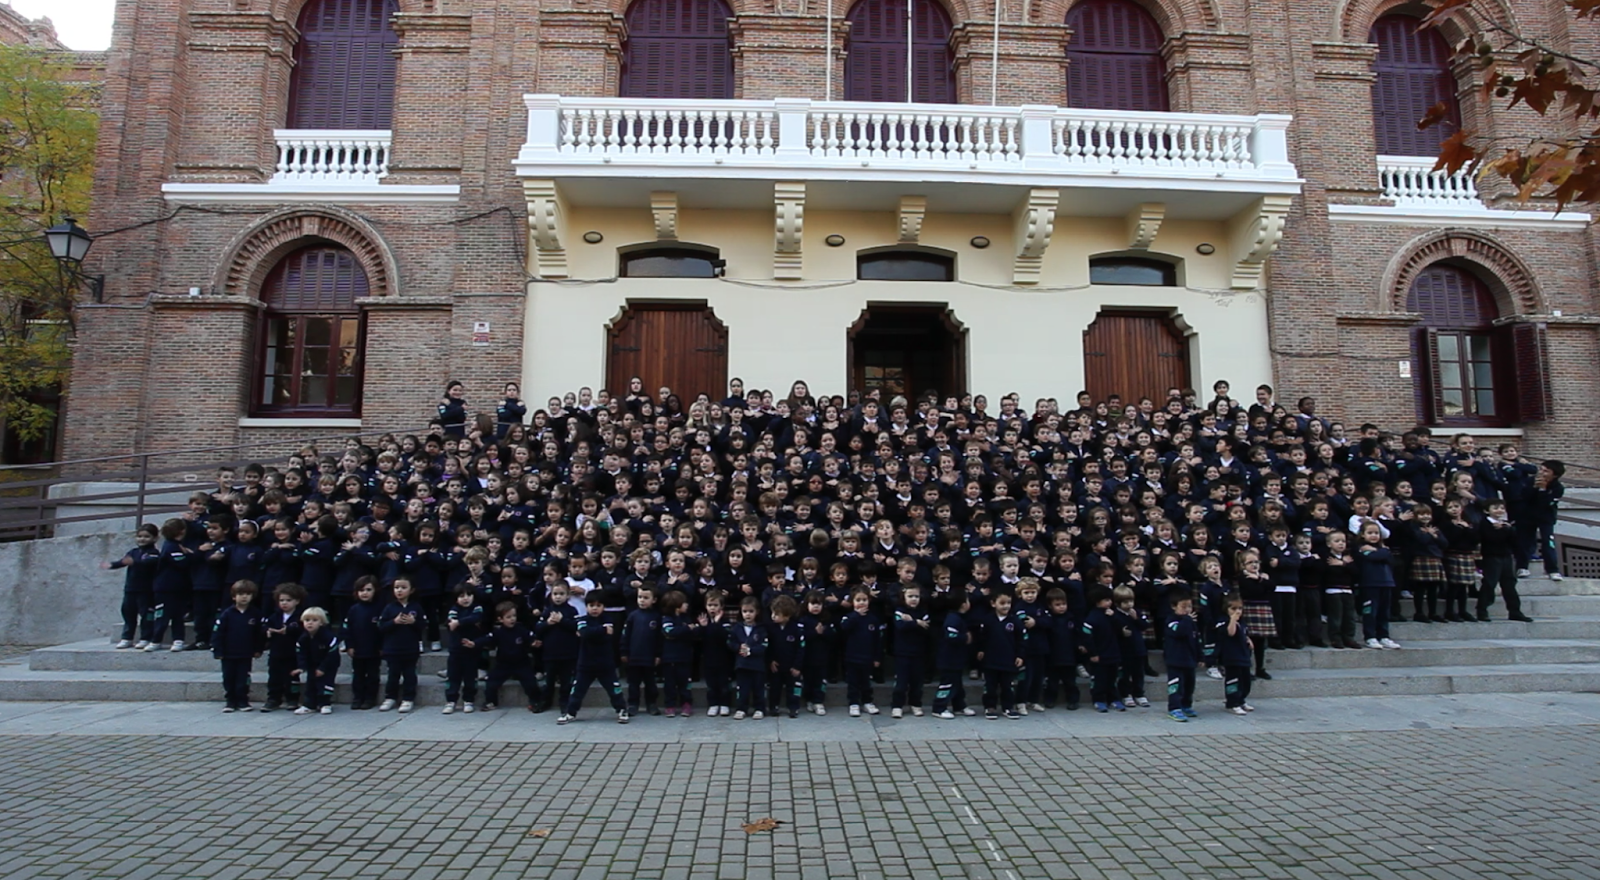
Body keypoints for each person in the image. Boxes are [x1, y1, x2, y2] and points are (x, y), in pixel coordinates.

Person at [560, 593, 629, 724]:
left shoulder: (608, 619)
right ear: (586, 607)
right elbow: (585, 633)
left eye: (598, 605)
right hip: (585, 664)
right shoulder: (582, 620)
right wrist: (601, 630)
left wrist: (593, 632)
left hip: (605, 664)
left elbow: (607, 635)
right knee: (577, 690)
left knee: (614, 689)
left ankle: (621, 710)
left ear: (604, 607)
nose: (595, 608)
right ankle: (570, 712)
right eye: (591, 605)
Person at [104, 523, 160, 650]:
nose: (142, 539)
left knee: (146, 615)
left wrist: (134, 562)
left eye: (146, 536)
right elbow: (123, 562)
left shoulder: (154, 553)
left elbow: (148, 563)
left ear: (155, 538)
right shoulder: (133, 552)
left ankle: (146, 638)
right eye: (139, 536)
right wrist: (111, 565)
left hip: (146, 591)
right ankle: (127, 637)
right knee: (128, 613)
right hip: (130, 589)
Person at [480, 602, 543, 711]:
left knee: (531, 683)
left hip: (521, 663)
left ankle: (535, 702)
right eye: (508, 617)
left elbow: (530, 637)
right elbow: (486, 639)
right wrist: (474, 643)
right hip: (503, 664)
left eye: (514, 616)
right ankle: (491, 702)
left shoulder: (521, 629)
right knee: (491, 682)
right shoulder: (498, 632)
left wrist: (534, 642)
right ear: (500, 619)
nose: (512, 619)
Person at [212, 580, 264, 712]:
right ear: (234, 596)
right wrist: (218, 650)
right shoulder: (227, 614)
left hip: (246, 653)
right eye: (241, 594)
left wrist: (258, 649)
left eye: (248, 594)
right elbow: (218, 633)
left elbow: (259, 634)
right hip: (228, 653)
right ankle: (230, 700)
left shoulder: (255, 614)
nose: (244, 597)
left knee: (243, 678)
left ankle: (243, 700)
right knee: (228, 677)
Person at [1478, 499, 1531, 622]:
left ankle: (1514, 611)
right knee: (1489, 584)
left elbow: (1514, 541)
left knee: (1510, 584)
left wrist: (1508, 529)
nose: (1499, 510)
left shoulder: (1506, 525)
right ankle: (1482, 610)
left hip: (1506, 557)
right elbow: (1491, 538)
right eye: (1495, 508)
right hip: (1492, 557)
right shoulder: (1484, 524)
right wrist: (1503, 530)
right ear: (1487, 511)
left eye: (1501, 508)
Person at [378, 577, 425, 712]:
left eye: (403, 587)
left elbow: (423, 626)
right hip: (392, 648)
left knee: (409, 674)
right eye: (396, 587)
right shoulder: (389, 608)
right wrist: (394, 622)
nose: (399, 590)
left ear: (411, 590)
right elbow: (381, 626)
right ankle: (390, 697)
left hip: (410, 648)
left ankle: (408, 698)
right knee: (393, 674)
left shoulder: (416, 607)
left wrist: (413, 622)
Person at [974, 590, 1024, 720]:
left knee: (1007, 686)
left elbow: (1021, 640)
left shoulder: (1015, 621)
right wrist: (981, 650)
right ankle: (990, 707)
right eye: (1002, 603)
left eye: (1008, 603)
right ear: (993, 603)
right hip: (991, 660)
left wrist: (1020, 655)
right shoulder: (987, 620)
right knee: (990, 686)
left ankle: (1008, 707)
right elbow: (982, 638)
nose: (1006, 606)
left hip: (1008, 660)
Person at [534, 582, 580, 714]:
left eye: (561, 594)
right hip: (550, 653)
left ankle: (564, 702)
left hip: (568, 653)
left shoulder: (572, 611)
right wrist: (547, 623)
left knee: (566, 682)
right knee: (549, 681)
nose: (558, 597)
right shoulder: (547, 611)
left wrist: (562, 621)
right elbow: (538, 628)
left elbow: (576, 626)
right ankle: (545, 701)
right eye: (555, 594)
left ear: (568, 595)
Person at [1354, 522, 1401, 650]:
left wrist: (1382, 552)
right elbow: (1375, 557)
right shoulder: (1360, 549)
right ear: (1363, 535)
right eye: (1370, 533)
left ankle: (1384, 636)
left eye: (1376, 533)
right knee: (1370, 612)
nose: (1374, 536)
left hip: (1386, 583)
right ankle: (1370, 637)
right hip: (1369, 584)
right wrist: (1382, 552)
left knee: (1384, 612)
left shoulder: (1383, 549)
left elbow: (1389, 558)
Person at [838, 588, 883, 717]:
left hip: (867, 657)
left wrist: (877, 658)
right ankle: (853, 703)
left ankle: (867, 702)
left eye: (864, 600)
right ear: (852, 602)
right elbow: (844, 628)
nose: (861, 603)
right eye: (858, 600)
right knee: (853, 682)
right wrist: (856, 615)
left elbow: (877, 640)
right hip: (852, 657)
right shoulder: (849, 617)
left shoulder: (873, 619)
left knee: (866, 682)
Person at [263, 583, 306, 711]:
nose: (284, 603)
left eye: (288, 600)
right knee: (274, 677)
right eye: (281, 600)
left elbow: (302, 630)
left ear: (297, 601)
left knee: (292, 678)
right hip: (276, 652)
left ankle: (292, 698)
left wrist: (289, 630)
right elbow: (264, 627)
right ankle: (273, 699)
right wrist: (268, 631)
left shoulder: (300, 617)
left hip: (292, 652)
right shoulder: (275, 616)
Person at [931, 592, 974, 719]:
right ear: (963, 605)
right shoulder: (952, 619)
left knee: (957, 683)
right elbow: (951, 636)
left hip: (957, 658)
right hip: (948, 659)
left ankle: (959, 705)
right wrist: (965, 637)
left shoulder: (960, 618)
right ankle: (939, 707)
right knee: (947, 683)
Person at [621, 585, 663, 716]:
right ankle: (633, 704)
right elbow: (625, 635)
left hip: (649, 657)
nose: (642, 600)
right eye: (640, 597)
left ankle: (651, 704)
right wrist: (624, 652)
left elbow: (659, 638)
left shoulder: (656, 617)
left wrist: (658, 654)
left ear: (654, 600)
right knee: (633, 683)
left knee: (650, 683)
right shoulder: (632, 616)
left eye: (646, 598)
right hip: (634, 657)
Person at [342, 577, 383, 710]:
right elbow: (347, 629)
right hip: (358, 649)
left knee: (372, 675)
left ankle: (370, 698)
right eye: (361, 590)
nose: (364, 593)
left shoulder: (380, 608)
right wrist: (349, 645)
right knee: (358, 675)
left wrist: (382, 646)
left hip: (374, 649)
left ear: (375, 591)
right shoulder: (354, 609)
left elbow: (383, 630)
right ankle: (357, 697)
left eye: (368, 590)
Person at [442, 585, 484, 713]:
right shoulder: (454, 609)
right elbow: (450, 622)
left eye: (468, 595)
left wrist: (459, 623)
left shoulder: (477, 608)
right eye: (461, 596)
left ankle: (469, 700)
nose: (465, 599)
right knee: (453, 676)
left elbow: (475, 618)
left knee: (470, 676)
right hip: (456, 650)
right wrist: (460, 623)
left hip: (471, 649)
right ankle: (451, 701)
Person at [888, 585, 928, 718]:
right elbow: (900, 626)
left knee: (917, 681)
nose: (914, 599)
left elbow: (926, 627)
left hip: (919, 652)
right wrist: (916, 623)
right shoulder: (899, 611)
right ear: (903, 597)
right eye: (910, 596)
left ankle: (916, 704)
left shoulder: (923, 612)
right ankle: (897, 705)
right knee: (901, 682)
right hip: (902, 652)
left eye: (916, 596)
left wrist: (912, 622)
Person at [1080, 587, 1122, 712]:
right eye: (1106, 600)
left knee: (1112, 679)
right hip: (1099, 654)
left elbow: (1120, 628)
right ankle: (1098, 700)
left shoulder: (1111, 615)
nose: (1109, 603)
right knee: (1099, 679)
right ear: (1097, 601)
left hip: (1112, 652)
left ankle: (1113, 699)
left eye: (1110, 600)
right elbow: (1087, 636)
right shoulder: (1092, 617)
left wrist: (1114, 617)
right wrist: (1093, 653)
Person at [659, 589, 701, 717]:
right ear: (676, 606)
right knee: (670, 683)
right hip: (669, 657)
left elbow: (693, 633)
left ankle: (686, 703)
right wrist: (687, 629)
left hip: (685, 656)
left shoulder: (686, 618)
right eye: (684, 603)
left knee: (685, 683)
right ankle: (670, 705)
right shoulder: (667, 618)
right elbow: (670, 632)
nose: (687, 605)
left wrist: (694, 629)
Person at [293, 607, 341, 715]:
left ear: (321, 623)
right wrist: (302, 667)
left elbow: (332, 654)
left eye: (314, 620)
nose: (310, 623)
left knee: (325, 684)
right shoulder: (303, 638)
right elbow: (301, 653)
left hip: (328, 664)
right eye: (307, 620)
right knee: (311, 683)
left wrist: (323, 668)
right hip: (312, 663)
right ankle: (309, 705)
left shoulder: (327, 636)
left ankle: (325, 703)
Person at [729, 596, 769, 720]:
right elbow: (730, 642)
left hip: (757, 665)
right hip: (742, 664)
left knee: (758, 688)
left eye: (751, 611)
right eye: (745, 611)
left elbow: (764, 645)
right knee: (742, 688)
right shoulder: (737, 628)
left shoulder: (761, 629)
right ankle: (741, 708)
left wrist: (751, 651)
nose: (748, 614)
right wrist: (739, 648)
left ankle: (759, 708)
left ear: (757, 612)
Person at [766, 595, 806, 718]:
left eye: (777, 614)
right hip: (776, 666)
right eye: (773, 613)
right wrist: (770, 661)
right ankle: (774, 707)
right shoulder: (770, 628)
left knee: (793, 688)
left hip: (791, 666)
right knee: (774, 687)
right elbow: (768, 646)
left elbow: (801, 648)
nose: (773, 616)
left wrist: (797, 666)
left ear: (787, 616)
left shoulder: (796, 629)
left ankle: (793, 707)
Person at [1164, 590, 1200, 721]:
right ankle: (1174, 708)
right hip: (1175, 660)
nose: (1187, 610)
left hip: (1189, 659)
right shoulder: (1171, 621)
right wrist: (1186, 619)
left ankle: (1186, 705)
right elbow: (1179, 632)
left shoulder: (1191, 623)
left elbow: (1196, 640)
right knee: (1176, 685)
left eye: (1189, 607)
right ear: (1174, 607)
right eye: (1183, 607)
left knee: (1189, 685)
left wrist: (1200, 656)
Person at [1217, 594, 1255, 715]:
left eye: (1239, 609)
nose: (1237, 612)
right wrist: (1233, 619)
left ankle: (1241, 700)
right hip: (1232, 657)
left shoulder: (1242, 623)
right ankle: (1232, 702)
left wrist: (1248, 639)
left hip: (1243, 655)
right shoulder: (1224, 621)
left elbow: (1243, 633)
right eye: (1233, 609)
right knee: (1233, 681)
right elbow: (1231, 632)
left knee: (1245, 681)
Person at [1112, 586, 1149, 708]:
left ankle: (1139, 693)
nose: (1129, 605)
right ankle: (1126, 694)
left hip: (1138, 649)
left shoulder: (1136, 612)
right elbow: (1113, 630)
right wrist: (1121, 632)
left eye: (1131, 601)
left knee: (1138, 673)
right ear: (1117, 603)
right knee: (1125, 674)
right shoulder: (1115, 615)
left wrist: (1136, 619)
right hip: (1124, 650)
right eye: (1125, 602)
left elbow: (1144, 626)